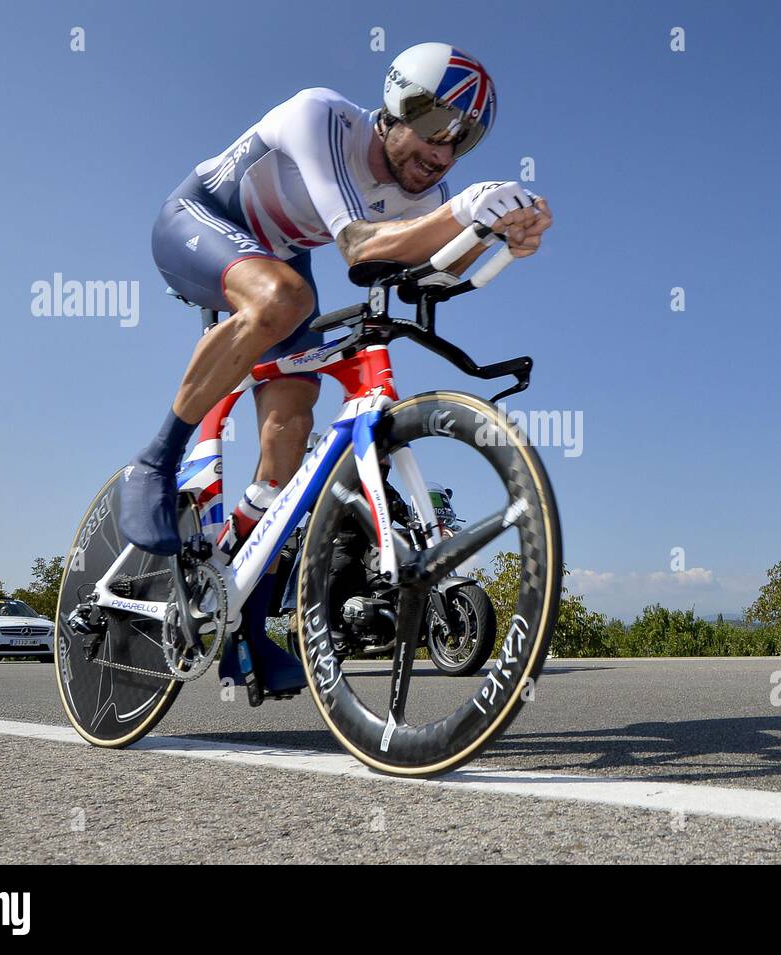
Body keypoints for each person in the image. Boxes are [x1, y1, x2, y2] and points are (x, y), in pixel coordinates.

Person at [118, 42, 552, 694]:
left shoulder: (428, 189)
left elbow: (432, 272)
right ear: (397, 106)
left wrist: (505, 236)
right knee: (285, 299)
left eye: (462, 144)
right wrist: (466, 211)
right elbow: (360, 249)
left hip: (281, 260)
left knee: (288, 438)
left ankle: (244, 619)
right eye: (436, 130)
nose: (442, 155)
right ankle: (152, 463)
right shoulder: (321, 117)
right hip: (202, 220)